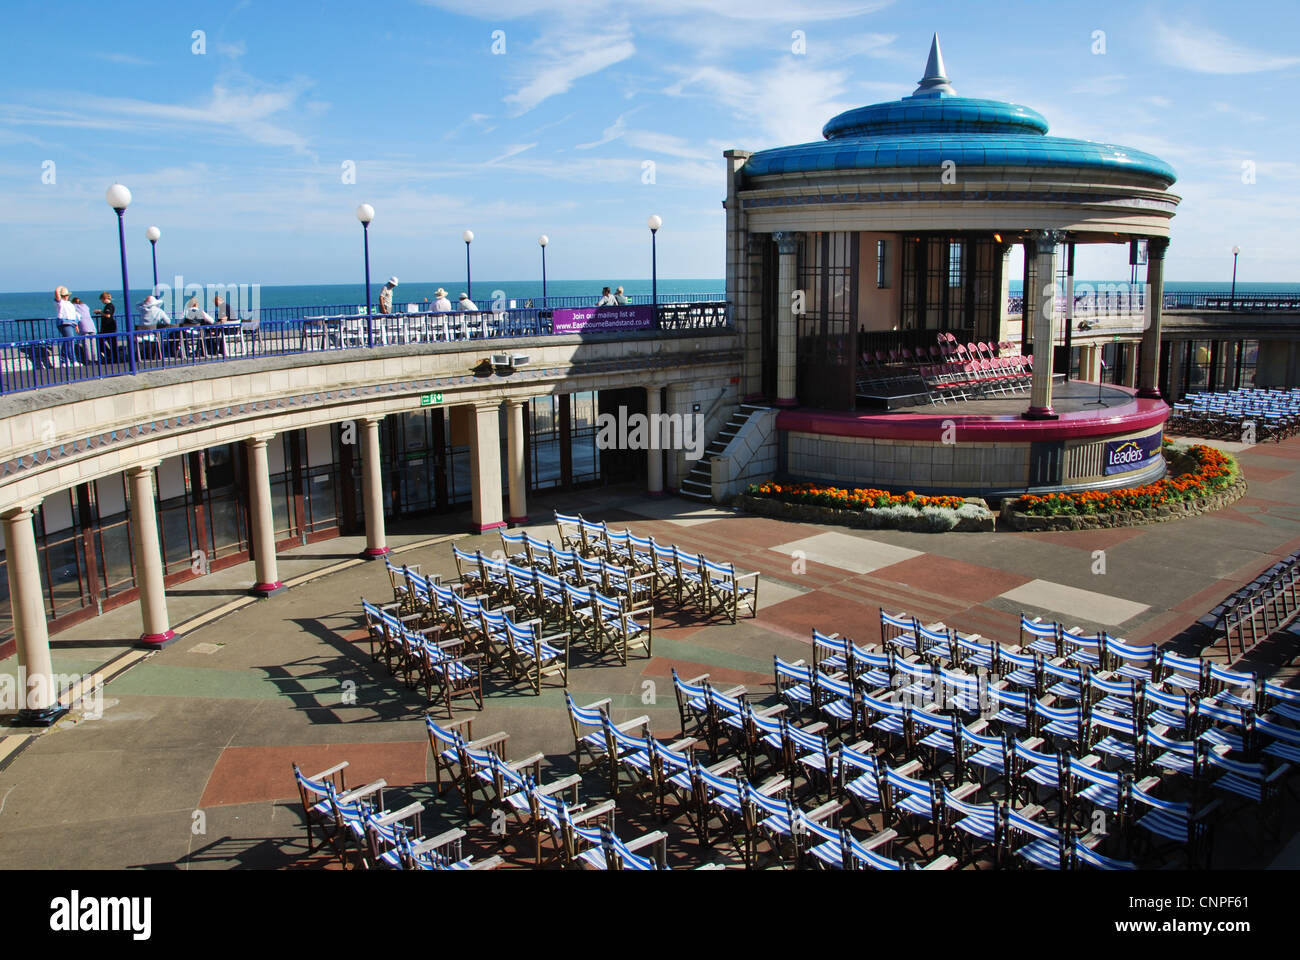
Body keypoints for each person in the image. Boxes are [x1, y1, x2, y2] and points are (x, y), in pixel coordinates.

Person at [55, 286, 79, 364]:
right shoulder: (60, 302)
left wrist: (76, 325)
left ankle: (63, 360)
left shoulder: (69, 303)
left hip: (71, 323)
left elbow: (74, 314)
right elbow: (57, 294)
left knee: (66, 341)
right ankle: (73, 360)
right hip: (64, 322)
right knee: (70, 341)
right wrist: (60, 287)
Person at [93, 291, 117, 363]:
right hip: (107, 327)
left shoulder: (109, 306)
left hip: (108, 327)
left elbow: (108, 315)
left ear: (104, 298)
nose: (102, 301)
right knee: (109, 342)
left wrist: (100, 312)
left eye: (102, 300)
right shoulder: (109, 306)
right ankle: (112, 356)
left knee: (104, 341)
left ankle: (111, 356)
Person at [71, 297, 96, 363]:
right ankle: (95, 359)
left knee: (86, 344)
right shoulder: (85, 306)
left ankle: (89, 360)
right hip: (92, 326)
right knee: (93, 344)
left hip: (84, 327)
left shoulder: (74, 307)